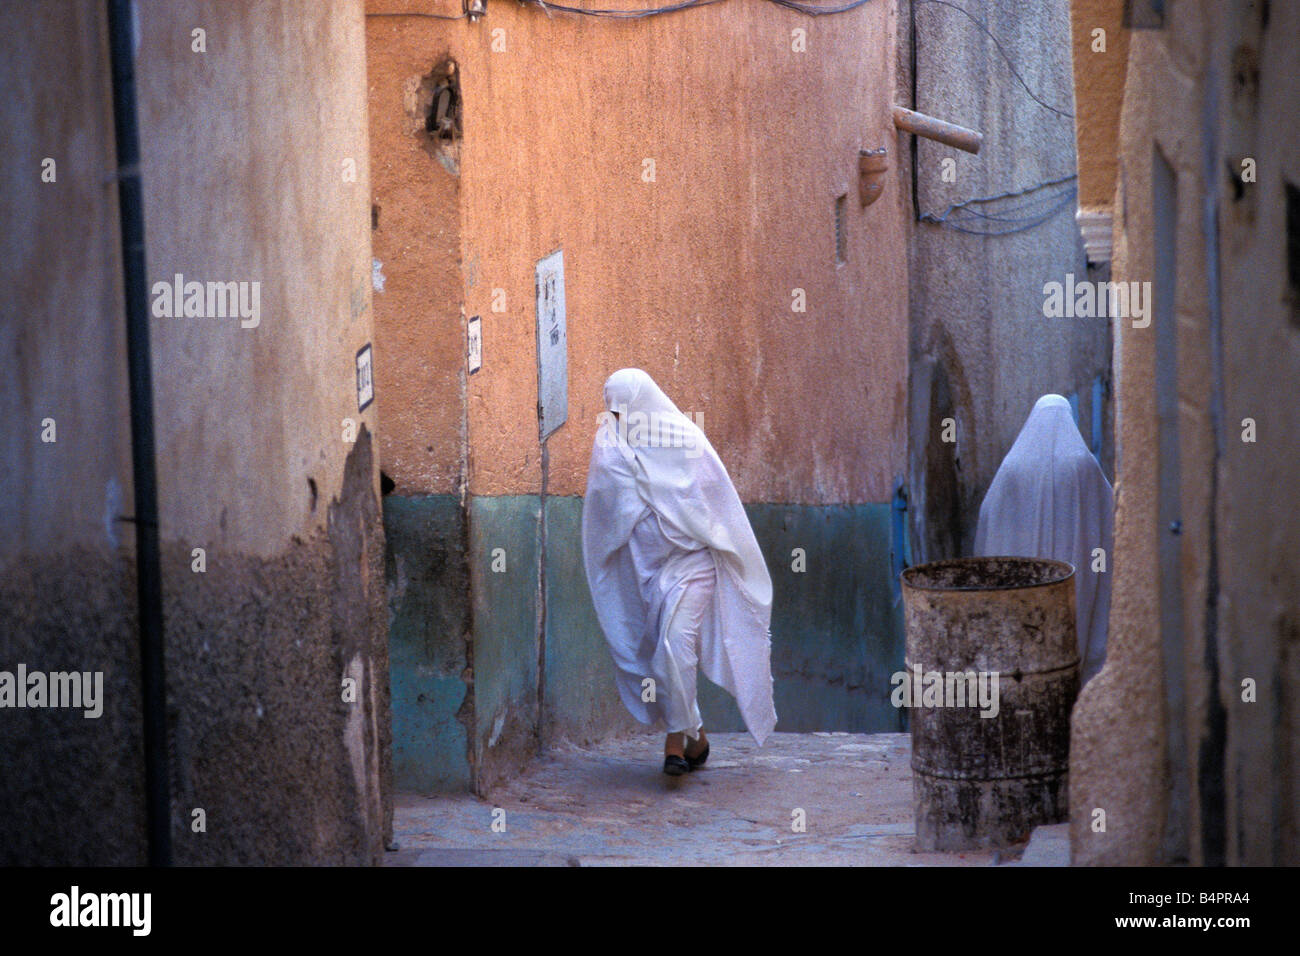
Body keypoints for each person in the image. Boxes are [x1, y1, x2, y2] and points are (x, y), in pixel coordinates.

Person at [581, 368, 777, 775]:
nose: (619, 421)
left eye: (625, 411)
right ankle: (697, 737)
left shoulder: (685, 441)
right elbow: (604, 511)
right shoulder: (609, 447)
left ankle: (674, 740)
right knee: (663, 659)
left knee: (674, 646)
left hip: (694, 565)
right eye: (612, 413)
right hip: (648, 572)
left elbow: (713, 500)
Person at [974, 394, 1114, 684]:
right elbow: (1109, 511)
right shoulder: (1083, 465)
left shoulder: (1013, 467)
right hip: (1077, 583)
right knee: (1075, 638)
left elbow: (990, 518)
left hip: (1020, 588)